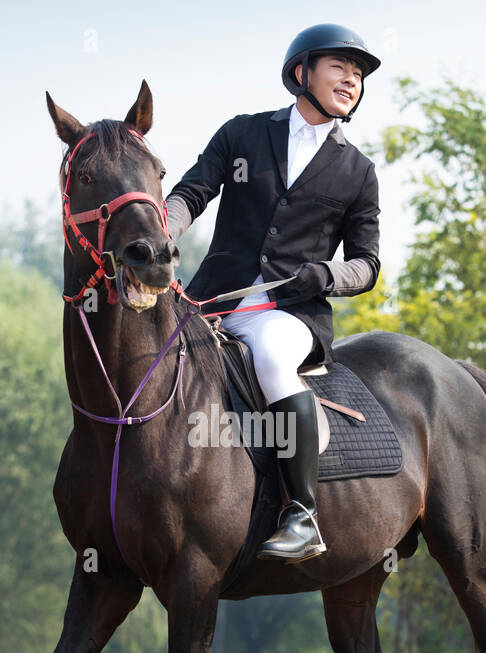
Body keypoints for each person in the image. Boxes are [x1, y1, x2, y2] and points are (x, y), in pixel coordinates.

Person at [166, 23, 382, 563]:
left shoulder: (358, 172)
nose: (351, 81)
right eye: (340, 68)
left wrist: (328, 277)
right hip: (210, 303)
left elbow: (367, 263)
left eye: (358, 75)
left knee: (269, 360)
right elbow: (191, 193)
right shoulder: (243, 134)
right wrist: (160, 232)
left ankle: (302, 515)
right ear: (300, 72)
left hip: (288, 315)